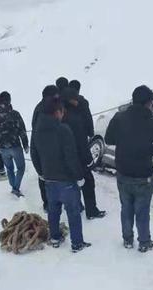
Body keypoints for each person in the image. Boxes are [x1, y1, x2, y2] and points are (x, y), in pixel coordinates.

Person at [105, 85, 153, 252]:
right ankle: (144, 242)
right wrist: (148, 148)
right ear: (149, 103)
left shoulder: (119, 117)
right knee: (142, 211)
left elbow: (108, 139)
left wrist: (124, 141)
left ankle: (127, 239)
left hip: (122, 173)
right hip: (143, 176)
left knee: (126, 207)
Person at [30, 99, 91, 252]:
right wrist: (78, 176)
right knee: (73, 212)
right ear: (57, 112)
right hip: (66, 180)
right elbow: (71, 156)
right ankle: (77, 243)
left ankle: (55, 237)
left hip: (49, 178)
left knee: (53, 210)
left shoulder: (37, 130)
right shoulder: (63, 130)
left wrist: (41, 172)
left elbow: (34, 154)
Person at [61, 87, 106, 219]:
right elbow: (81, 143)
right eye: (75, 99)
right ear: (71, 100)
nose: (77, 101)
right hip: (79, 158)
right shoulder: (74, 119)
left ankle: (77, 207)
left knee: (71, 184)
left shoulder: (60, 115)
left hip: (64, 158)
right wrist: (89, 160)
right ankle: (91, 211)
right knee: (88, 183)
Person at [0, 91, 29, 197]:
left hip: (2, 147)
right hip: (15, 145)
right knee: (21, 168)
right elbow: (22, 130)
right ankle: (16, 187)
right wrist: (25, 144)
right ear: (9, 100)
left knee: (9, 168)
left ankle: (13, 186)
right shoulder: (14, 113)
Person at [31, 85, 60, 211]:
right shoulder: (44, 110)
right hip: (45, 149)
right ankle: (48, 204)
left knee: (45, 178)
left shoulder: (40, 107)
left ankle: (49, 204)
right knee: (45, 179)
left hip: (43, 149)